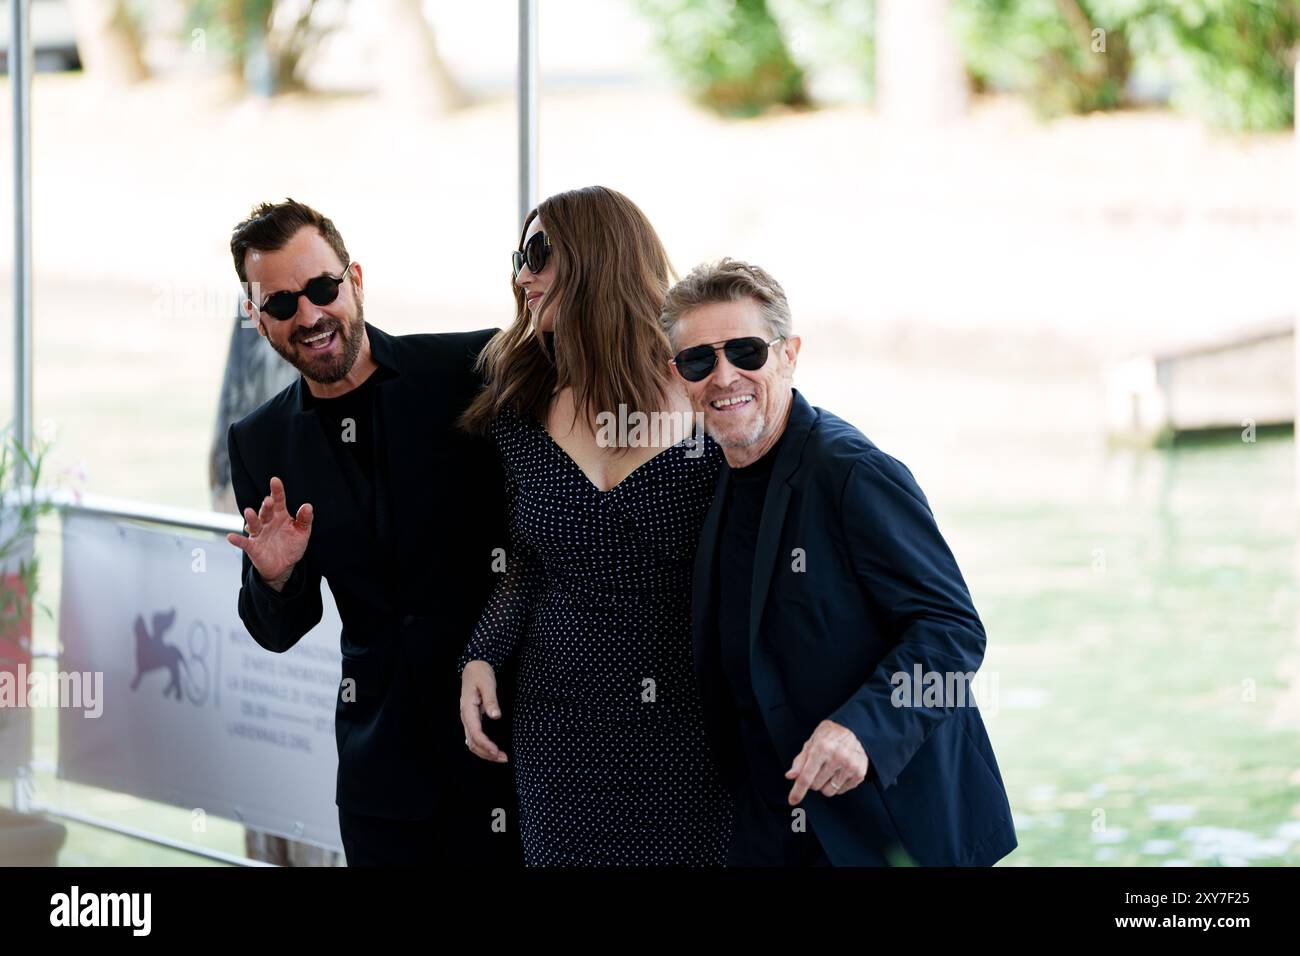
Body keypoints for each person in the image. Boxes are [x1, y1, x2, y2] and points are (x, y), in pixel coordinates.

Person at [662, 258, 1017, 867]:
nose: (724, 376)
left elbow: (953, 634)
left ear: (789, 354)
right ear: (679, 376)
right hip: (770, 829)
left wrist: (862, 729)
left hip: (888, 826)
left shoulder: (852, 472)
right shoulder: (709, 470)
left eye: (746, 351)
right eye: (700, 360)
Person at [223, 198, 521, 867]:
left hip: (508, 747)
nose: (308, 316)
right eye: (280, 304)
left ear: (354, 278)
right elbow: (279, 628)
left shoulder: (467, 369)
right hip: (382, 773)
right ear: (257, 318)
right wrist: (277, 576)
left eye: (322, 288)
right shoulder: (261, 441)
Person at [457, 185, 733, 866]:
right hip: (558, 732)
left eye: (539, 252)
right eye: (519, 256)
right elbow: (528, 562)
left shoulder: (710, 395)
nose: (522, 273)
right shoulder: (522, 405)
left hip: (689, 731)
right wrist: (481, 654)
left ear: (598, 257)